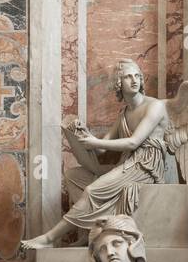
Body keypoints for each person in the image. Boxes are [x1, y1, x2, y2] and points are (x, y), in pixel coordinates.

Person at [22, 59, 171, 250]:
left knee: (93, 190)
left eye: (137, 76)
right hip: (127, 163)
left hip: (145, 167)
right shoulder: (124, 113)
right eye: (128, 77)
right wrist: (81, 134)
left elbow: (133, 142)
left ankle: (49, 238)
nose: (134, 80)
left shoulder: (155, 106)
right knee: (74, 176)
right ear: (119, 83)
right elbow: (101, 149)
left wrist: (95, 142)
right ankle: (93, 231)